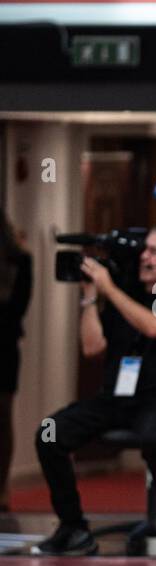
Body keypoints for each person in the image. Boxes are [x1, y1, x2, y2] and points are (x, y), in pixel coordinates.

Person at [32, 228, 156, 555]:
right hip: (115, 401)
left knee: (153, 437)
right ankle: (73, 528)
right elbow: (92, 347)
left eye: (155, 252)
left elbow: (154, 327)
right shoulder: (125, 294)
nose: (145, 257)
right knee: (49, 433)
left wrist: (109, 289)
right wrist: (89, 297)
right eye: (144, 250)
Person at [0, 214, 32, 513]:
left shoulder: (20, 261)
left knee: (2, 418)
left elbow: (18, 309)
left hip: (4, 346)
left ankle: (1, 488)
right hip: (7, 345)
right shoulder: (21, 259)